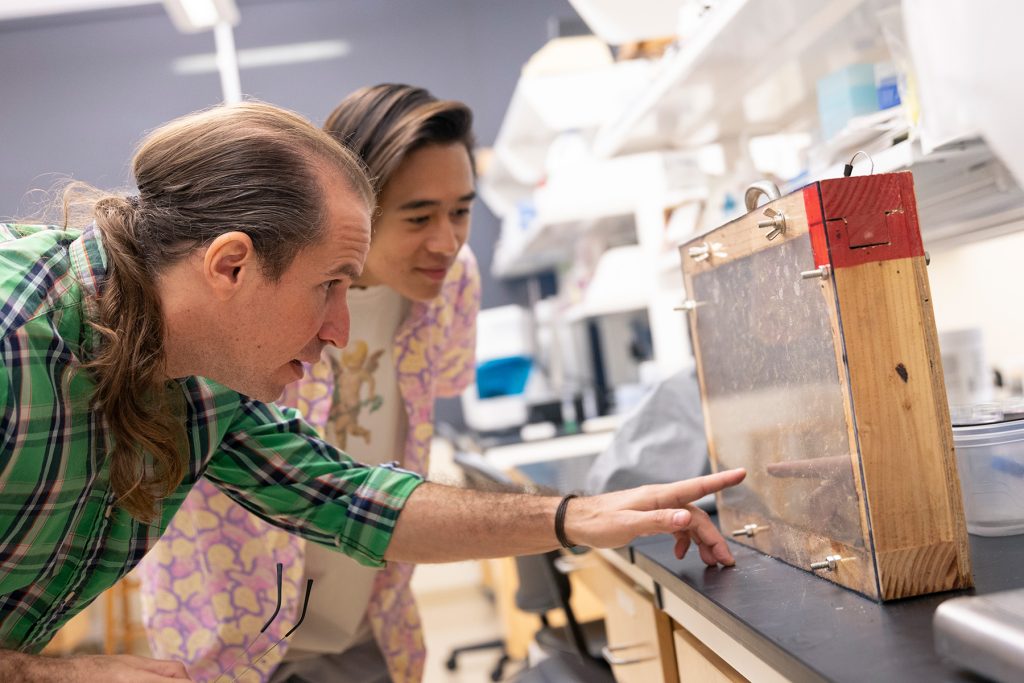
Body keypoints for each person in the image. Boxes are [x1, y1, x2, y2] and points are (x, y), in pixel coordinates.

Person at [0, 100, 746, 682]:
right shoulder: (13, 343)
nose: (339, 330)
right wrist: (50, 672)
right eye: (329, 285)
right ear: (230, 266)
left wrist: (577, 514)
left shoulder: (201, 379)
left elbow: (345, 497)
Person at [139, 84, 482, 683]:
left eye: (461, 212)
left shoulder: (450, 284)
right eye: (419, 217)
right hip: (237, 628)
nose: (446, 242)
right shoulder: (247, 299)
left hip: (369, 611)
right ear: (352, 209)